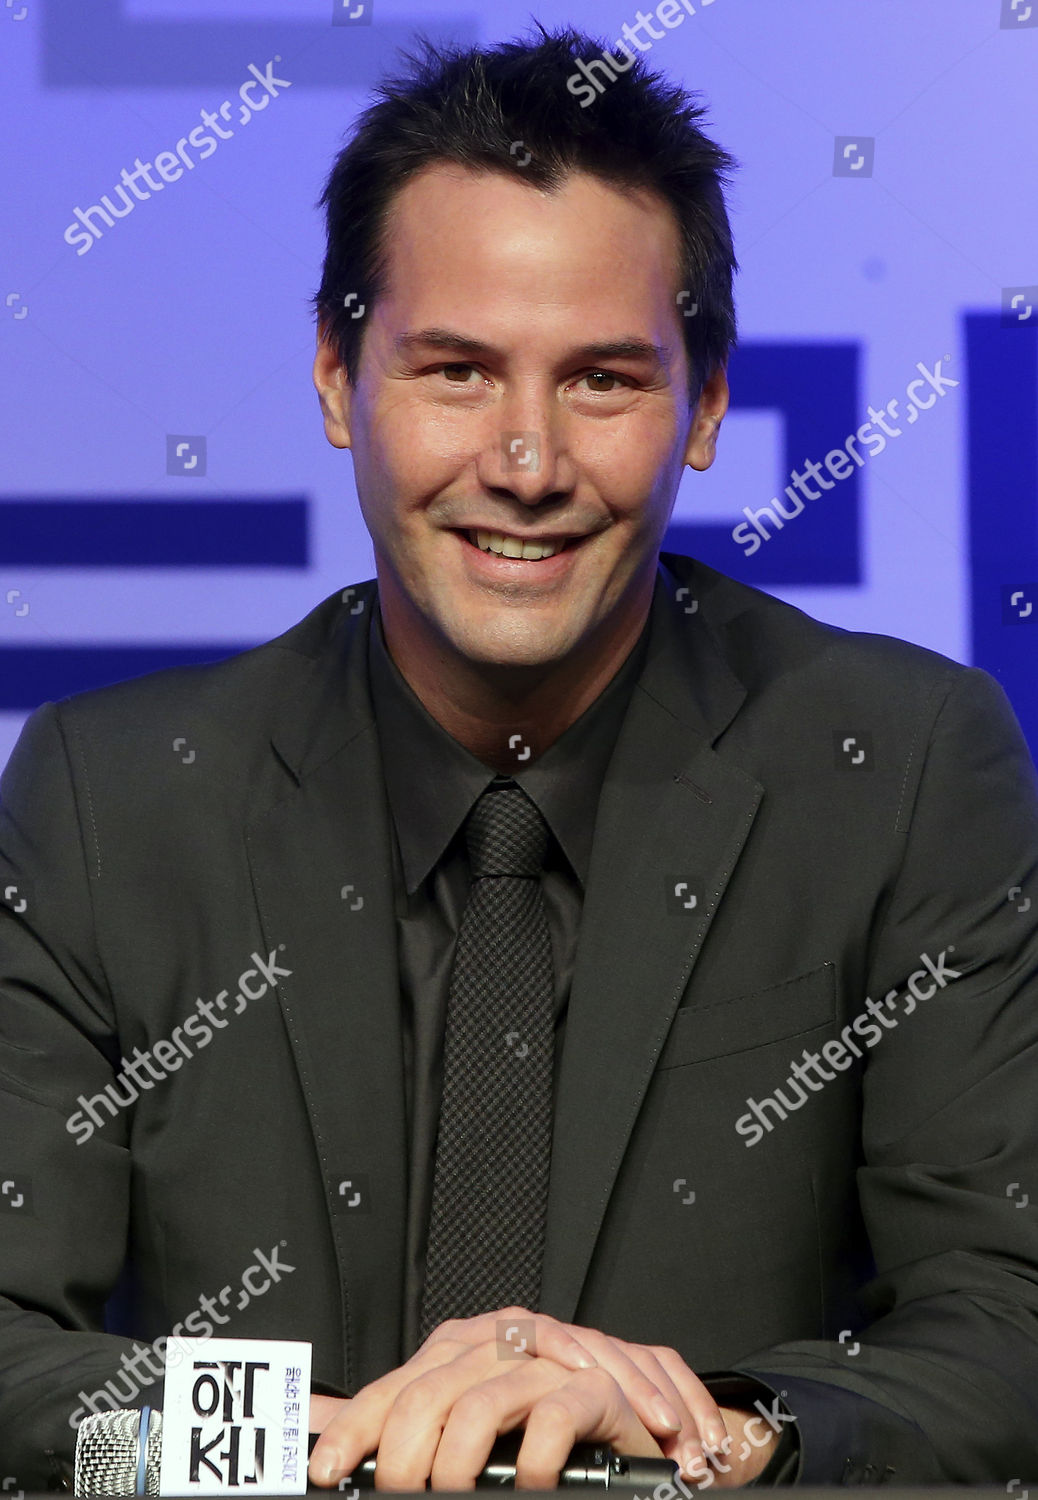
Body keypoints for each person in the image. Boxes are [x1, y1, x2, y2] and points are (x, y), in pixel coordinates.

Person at [2, 21, 1038, 1491]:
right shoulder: (112, 799)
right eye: (456, 371)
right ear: (332, 378)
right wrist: (314, 1447)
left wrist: (714, 1430)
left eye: (604, 380)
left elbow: (1006, 1321)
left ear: (710, 406)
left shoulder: (902, 766)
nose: (528, 461)